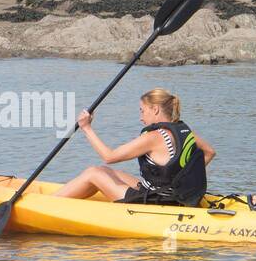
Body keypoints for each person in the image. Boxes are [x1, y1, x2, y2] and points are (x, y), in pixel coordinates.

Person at [54, 88, 215, 207]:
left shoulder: (153, 137)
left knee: (93, 173)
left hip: (158, 201)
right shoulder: (184, 131)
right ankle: (64, 198)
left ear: (155, 109)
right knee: (105, 171)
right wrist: (183, 180)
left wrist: (86, 128)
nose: (140, 117)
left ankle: (47, 204)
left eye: (142, 111)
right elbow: (209, 152)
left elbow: (109, 156)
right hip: (173, 194)